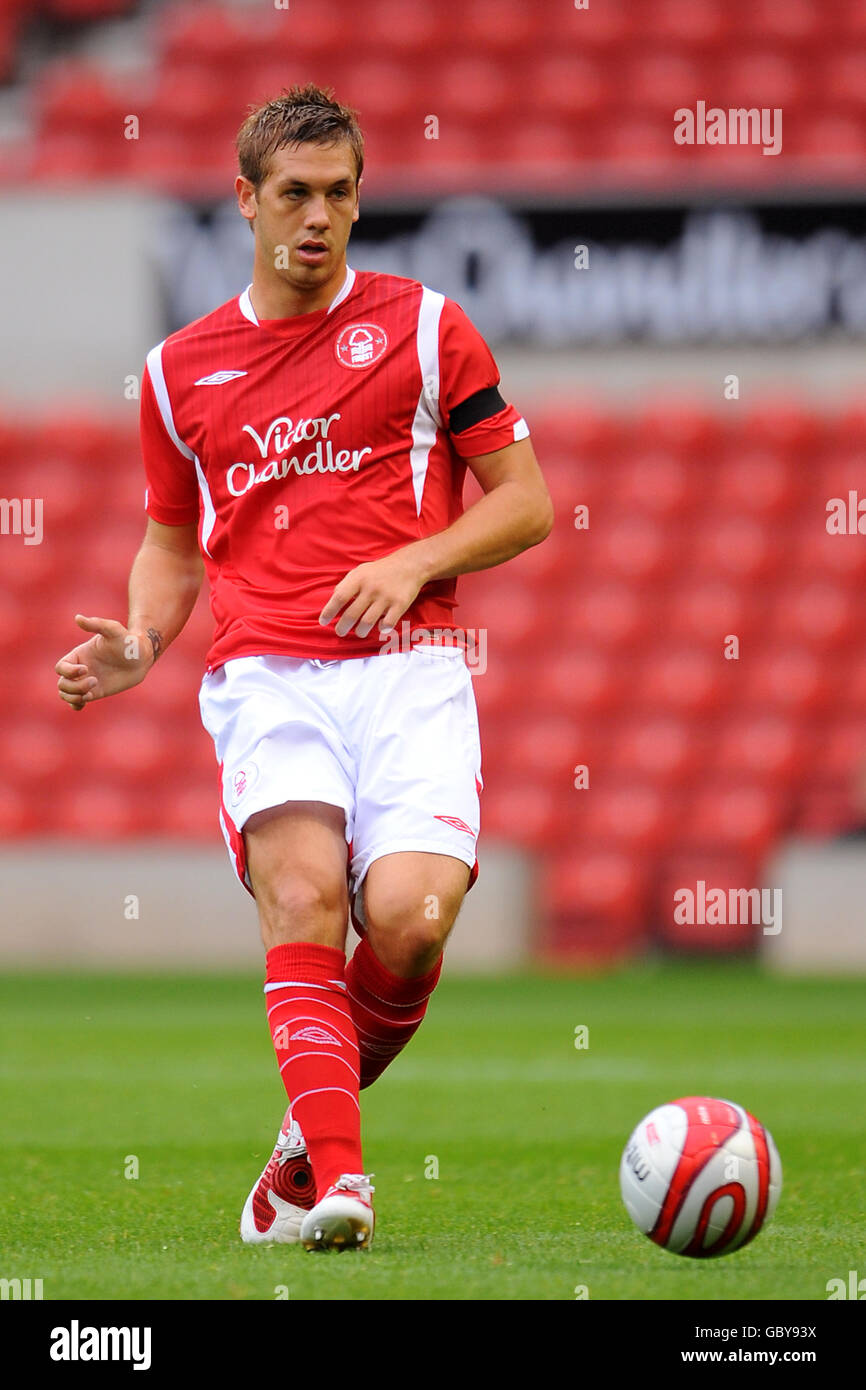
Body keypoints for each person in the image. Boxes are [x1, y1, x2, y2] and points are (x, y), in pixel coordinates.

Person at [55, 84, 553, 1252]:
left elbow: (525, 503)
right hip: (267, 675)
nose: (318, 217)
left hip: (409, 669)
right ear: (245, 200)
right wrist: (141, 641)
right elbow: (173, 544)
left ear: (359, 198)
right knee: (301, 897)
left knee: (413, 921)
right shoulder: (181, 371)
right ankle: (341, 1179)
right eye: (294, 194)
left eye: (339, 193)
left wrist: (414, 558)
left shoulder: (427, 327)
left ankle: (297, 1140)